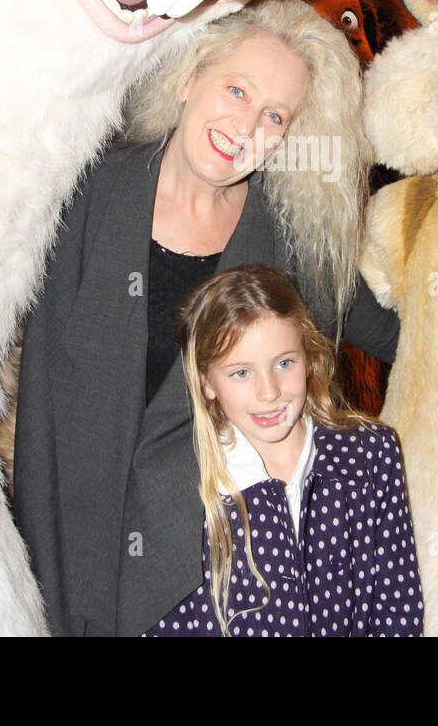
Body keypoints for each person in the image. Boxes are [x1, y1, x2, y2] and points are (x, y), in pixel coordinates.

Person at [12, 0, 400, 636]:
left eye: (274, 115)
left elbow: (393, 331)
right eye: (237, 89)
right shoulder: (80, 188)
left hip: (203, 588)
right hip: (64, 553)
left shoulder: (290, 237)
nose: (247, 124)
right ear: (189, 78)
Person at [146, 263, 422, 636]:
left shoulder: (371, 455)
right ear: (206, 381)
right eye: (241, 372)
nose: (269, 392)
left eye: (284, 363)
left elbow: (398, 609)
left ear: (309, 358)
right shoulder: (179, 486)